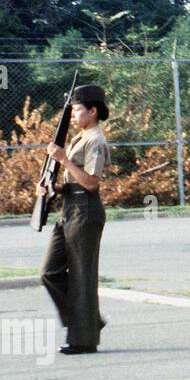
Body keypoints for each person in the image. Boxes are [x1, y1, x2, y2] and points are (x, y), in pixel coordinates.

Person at [39, 84, 110, 355]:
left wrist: (64, 161)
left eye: (78, 110)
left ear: (92, 111)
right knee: (50, 272)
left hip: (86, 209)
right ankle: (90, 321)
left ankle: (83, 339)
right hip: (69, 207)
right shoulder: (80, 137)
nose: (74, 115)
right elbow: (73, 181)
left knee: (82, 276)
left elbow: (92, 183)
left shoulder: (96, 140)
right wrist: (52, 188)